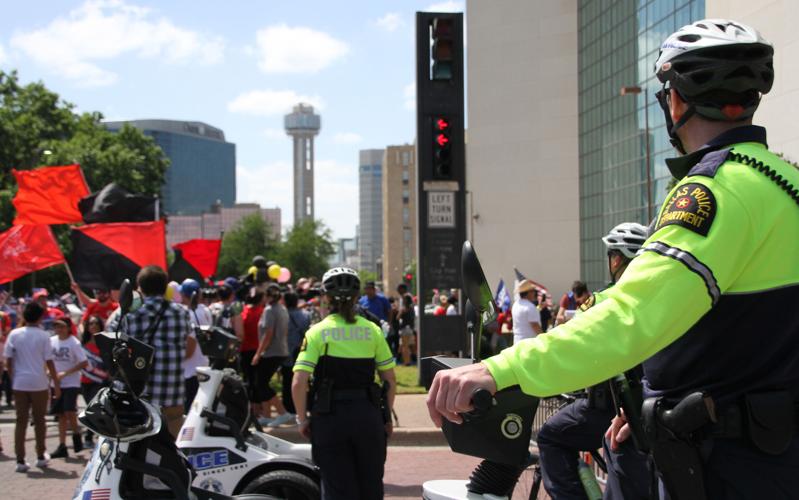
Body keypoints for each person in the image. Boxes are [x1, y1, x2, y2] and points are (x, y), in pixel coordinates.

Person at [428, 19, 799, 499]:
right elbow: (721, 325)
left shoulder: (715, 190)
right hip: (770, 451)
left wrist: (500, 370)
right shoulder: (781, 182)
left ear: (675, 101)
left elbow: (633, 315)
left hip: (731, 466)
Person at [536, 222, 647, 499]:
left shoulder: (603, 301)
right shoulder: (659, 298)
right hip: (652, 408)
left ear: (616, 259)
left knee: (550, 436)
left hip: (610, 409)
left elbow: (568, 344)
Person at [292, 267, 396, 500]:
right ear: (357, 297)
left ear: (325, 298)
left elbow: (299, 381)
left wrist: (302, 419)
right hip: (368, 416)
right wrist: (386, 417)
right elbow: (389, 379)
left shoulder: (317, 332)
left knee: (337, 489)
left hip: (329, 418)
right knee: (371, 487)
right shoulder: (373, 330)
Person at [121, 265, 192, 438]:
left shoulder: (130, 314)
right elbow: (188, 343)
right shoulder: (182, 312)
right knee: (173, 434)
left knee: (141, 439)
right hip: (172, 388)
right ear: (165, 287)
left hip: (140, 390)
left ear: (140, 287)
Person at [4, 302, 61, 472]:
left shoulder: (14, 334)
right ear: (40, 317)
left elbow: (8, 360)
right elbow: (49, 361)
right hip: (39, 382)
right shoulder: (44, 335)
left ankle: (20, 459)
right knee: (39, 420)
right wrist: (56, 383)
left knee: (20, 421)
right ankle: (40, 455)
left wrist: (13, 378)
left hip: (20, 382)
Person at [252, 284, 293, 426]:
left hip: (271, 352)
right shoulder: (283, 308)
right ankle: (267, 415)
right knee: (263, 382)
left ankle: (282, 412)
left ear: (267, 296)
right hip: (281, 349)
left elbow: (268, 334)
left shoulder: (269, 310)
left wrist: (258, 354)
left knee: (261, 383)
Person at [48, 317, 88, 459]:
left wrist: (66, 373)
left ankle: (76, 435)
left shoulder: (73, 343)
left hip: (71, 382)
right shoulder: (51, 341)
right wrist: (49, 372)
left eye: (62, 326)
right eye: (57, 327)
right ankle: (62, 445)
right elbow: (47, 359)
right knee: (61, 415)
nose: (59, 329)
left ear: (68, 328)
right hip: (56, 383)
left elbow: (83, 362)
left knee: (69, 410)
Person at [180, 279, 211, 413]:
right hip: (203, 363)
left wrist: (177, 359)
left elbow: (190, 347)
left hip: (191, 369)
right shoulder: (205, 310)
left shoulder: (190, 314)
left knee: (191, 410)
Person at [80, 315, 108, 449]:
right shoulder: (83, 343)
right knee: (90, 408)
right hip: (85, 381)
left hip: (101, 382)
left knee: (94, 408)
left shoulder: (105, 342)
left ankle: (89, 436)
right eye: (91, 324)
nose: (93, 326)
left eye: (96, 323)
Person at [281, 291, 310, 415]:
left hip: (287, 352)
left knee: (288, 380)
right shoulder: (306, 314)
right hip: (303, 350)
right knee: (305, 380)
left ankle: (290, 408)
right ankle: (306, 405)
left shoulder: (283, 316)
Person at [241, 289, 266, 413]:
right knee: (258, 380)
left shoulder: (244, 311)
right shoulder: (263, 312)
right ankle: (258, 408)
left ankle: (251, 407)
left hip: (245, 349)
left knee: (248, 379)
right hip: (259, 350)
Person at [511, 280, 542, 344]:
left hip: (517, 341)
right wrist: (543, 338)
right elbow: (535, 325)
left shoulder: (515, 304)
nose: (534, 293)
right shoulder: (530, 307)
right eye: (533, 291)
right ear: (529, 293)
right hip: (529, 343)